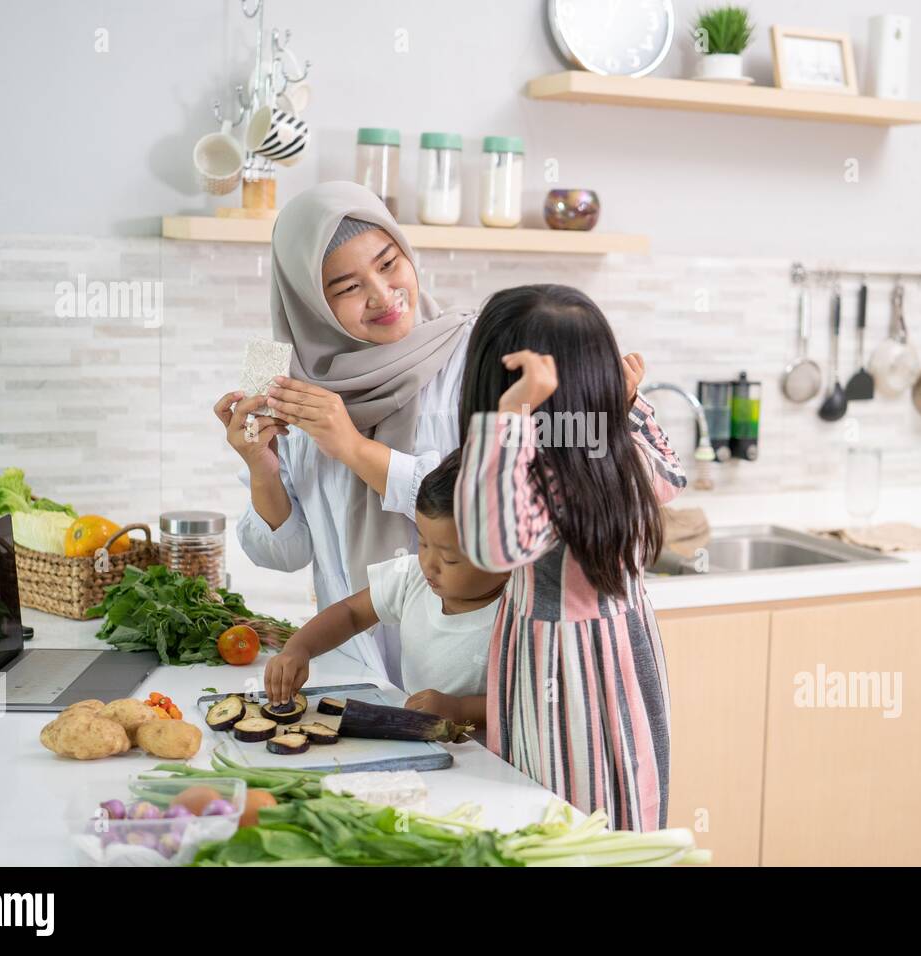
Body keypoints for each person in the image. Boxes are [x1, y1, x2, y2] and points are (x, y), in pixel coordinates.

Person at [213, 182, 474, 686]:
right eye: (348, 287)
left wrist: (353, 448)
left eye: (389, 263)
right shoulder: (279, 376)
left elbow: (488, 507)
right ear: (309, 301)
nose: (383, 295)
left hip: (462, 664)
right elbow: (281, 555)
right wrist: (260, 466)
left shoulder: (471, 351)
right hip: (353, 662)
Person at [454, 284, 686, 831]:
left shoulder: (546, 477)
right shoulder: (617, 457)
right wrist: (628, 404)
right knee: (623, 802)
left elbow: (495, 544)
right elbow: (673, 471)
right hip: (625, 650)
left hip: (565, 664)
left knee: (563, 816)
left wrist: (508, 416)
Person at [263, 451, 506, 732]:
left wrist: (462, 710)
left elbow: (527, 702)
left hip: (486, 762)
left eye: (449, 558)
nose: (428, 564)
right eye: (424, 543)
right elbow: (351, 613)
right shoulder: (411, 577)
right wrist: (299, 648)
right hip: (419, 740)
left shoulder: (519, 613)